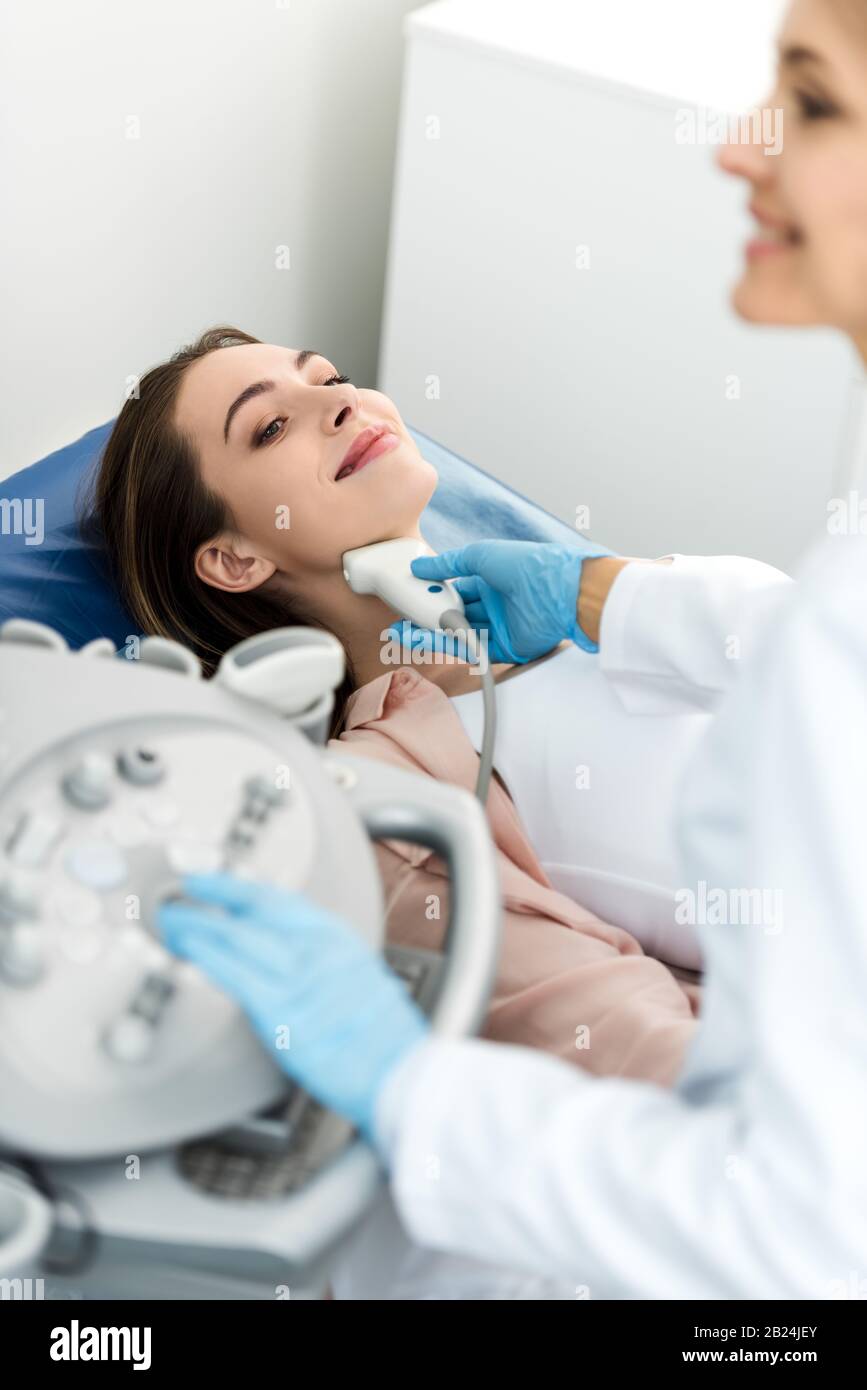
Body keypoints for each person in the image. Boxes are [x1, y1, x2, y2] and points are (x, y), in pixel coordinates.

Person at [162, 0, 867, 1299]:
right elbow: (634, 1051)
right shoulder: (394, 788)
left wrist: (603, 594)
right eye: (272, 426)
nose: (338, 397)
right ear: (234, 559)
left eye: (326, 372)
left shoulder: (636, 608)